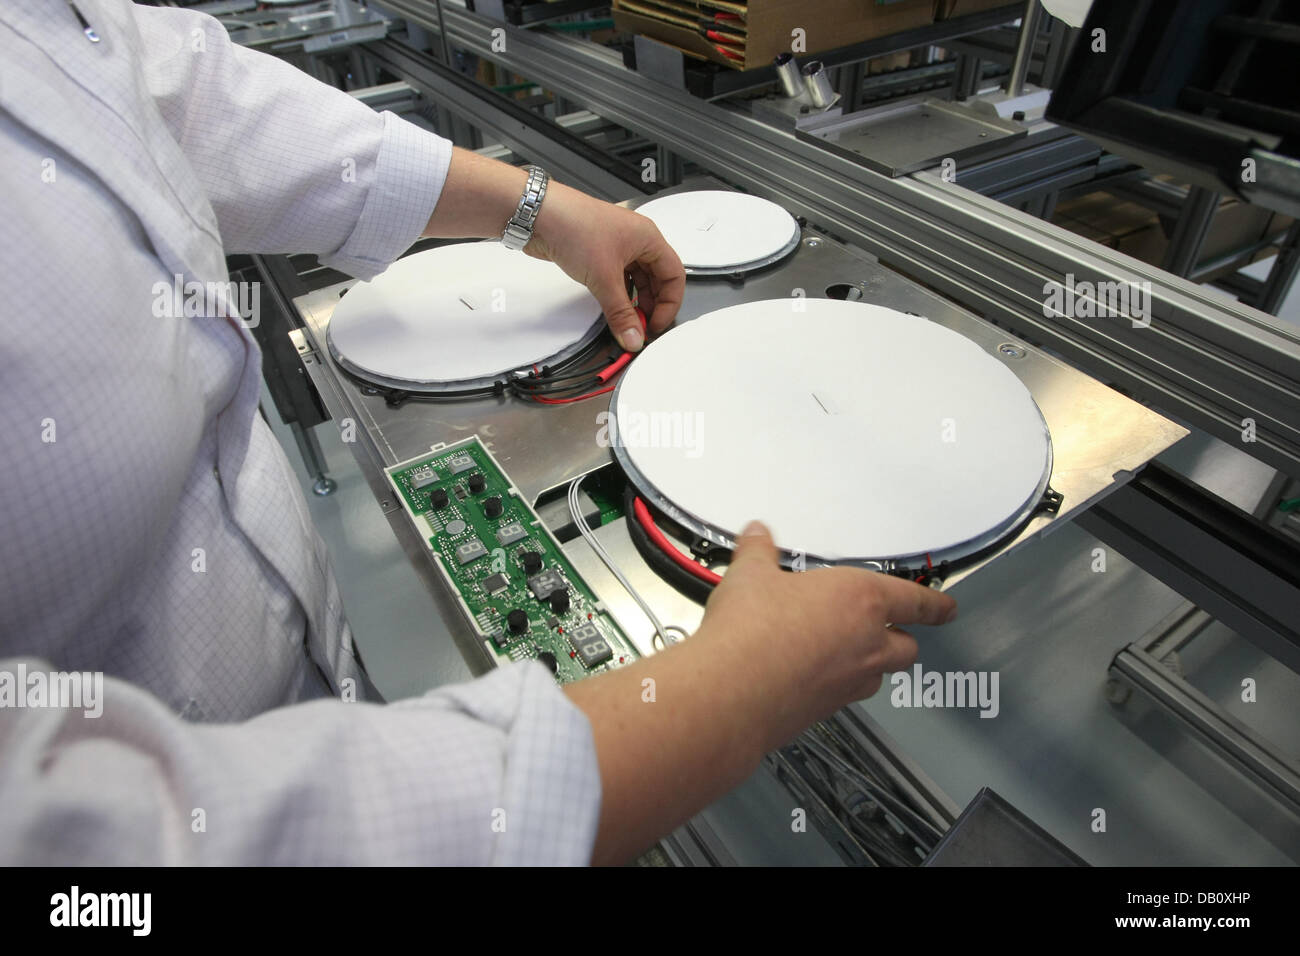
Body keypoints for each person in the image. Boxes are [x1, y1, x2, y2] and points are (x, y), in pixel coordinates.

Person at [0, 0, 956, 865]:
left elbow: (183, 91)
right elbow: (124, 838)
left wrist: (537, 211)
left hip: (299, 666)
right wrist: (733, 694)